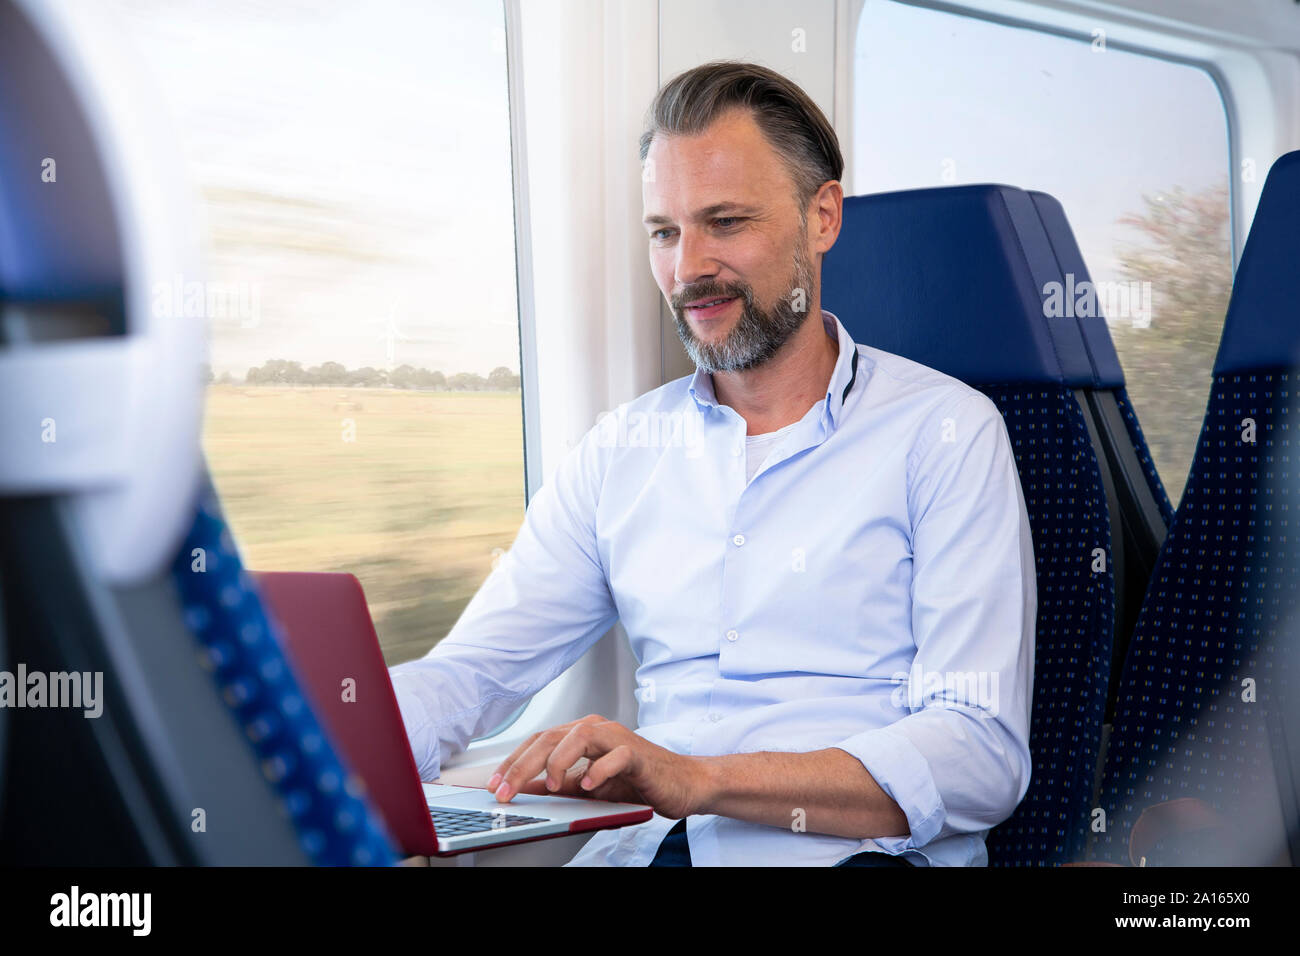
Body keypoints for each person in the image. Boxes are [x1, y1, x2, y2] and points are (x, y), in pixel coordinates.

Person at [389, 60, 1035, 866]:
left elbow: (980, 755)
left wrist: (697, 779)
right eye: (665, 231)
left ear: (821, 216)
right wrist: (334, 728)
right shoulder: (620, 451)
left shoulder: (946, 435)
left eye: (725, 222)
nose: (687, 267)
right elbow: (475, 673)